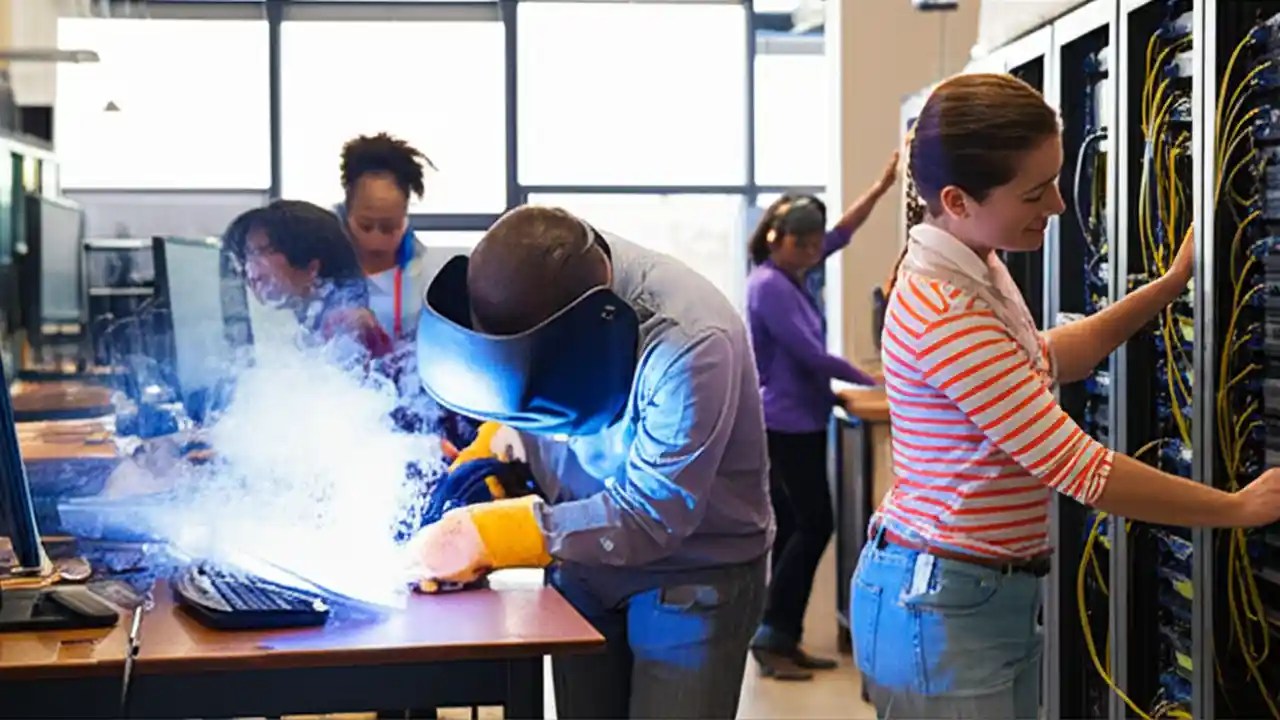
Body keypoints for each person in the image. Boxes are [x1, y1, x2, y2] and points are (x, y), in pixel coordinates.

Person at [853, 72, 1280, 719]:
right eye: (1035, 191)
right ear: (958, 200)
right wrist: (1236, 508)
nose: (1057, 205)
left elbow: (1045, 357)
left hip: (974, 599)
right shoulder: (945, 309)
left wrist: (1168, 287)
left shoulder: (976, 265)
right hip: (944, 611)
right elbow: (1079, 468)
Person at [407, 206, 774, 719]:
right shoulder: (529, 287)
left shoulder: (689, 340)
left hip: (692, 571)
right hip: (581, 563)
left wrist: (499, 535)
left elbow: (653, 515)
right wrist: (493, 452)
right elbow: (528, 401)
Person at [744, 156, 897, 681]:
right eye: (802, 244)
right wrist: (877, 380)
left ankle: (780, 634)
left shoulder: (793, 272)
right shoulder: (769, 285)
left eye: (814, 245)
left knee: (795, 527)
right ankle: (773, 635)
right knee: (815, 524)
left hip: (802, 416)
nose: (813, 252)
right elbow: (811, 355)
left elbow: (841, 234)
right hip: (787, 423)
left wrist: (881, 185)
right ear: (775, 237)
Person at [223, 199, 392, 360]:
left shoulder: (346, 323)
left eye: (263, 251)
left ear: (311, 267)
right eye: (248, 255)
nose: (250, 272)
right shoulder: (313, 320)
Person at [337, 132, 436, 340]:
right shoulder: (316, 263)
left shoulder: (426, 278)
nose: (376, 241)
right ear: (347, 211)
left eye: (389, 227)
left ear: (405, 213)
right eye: (365, 226)